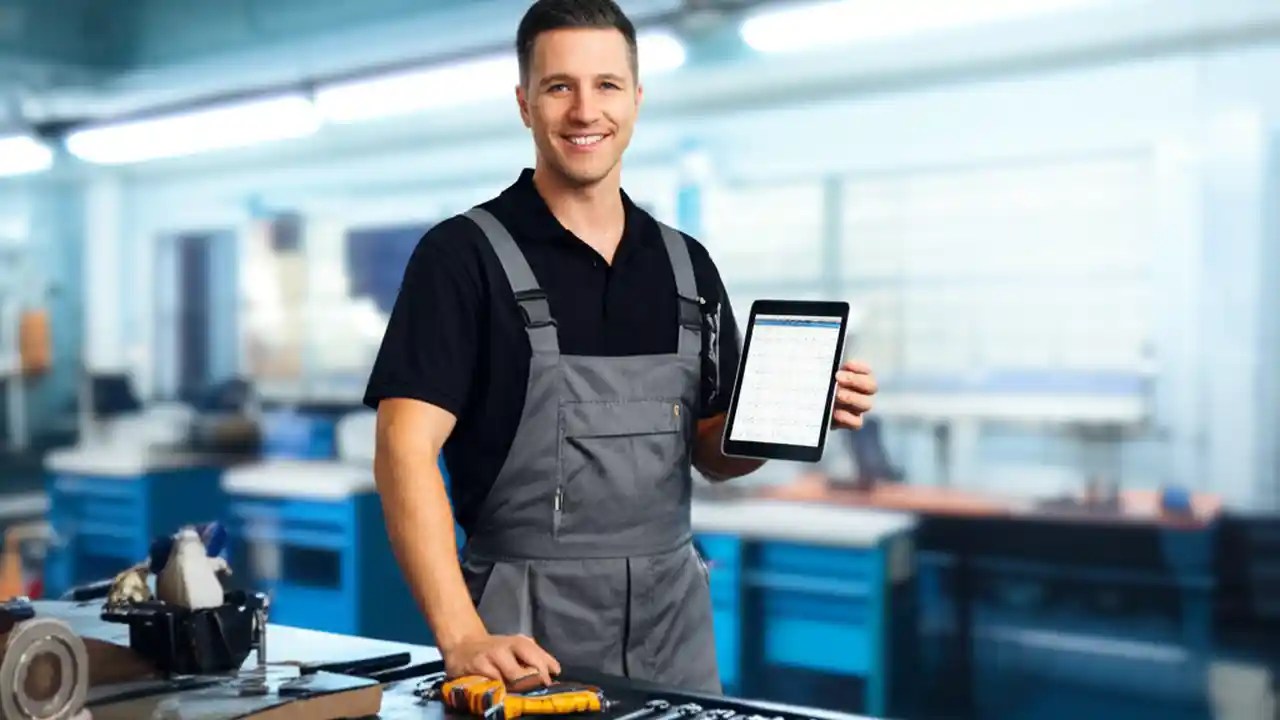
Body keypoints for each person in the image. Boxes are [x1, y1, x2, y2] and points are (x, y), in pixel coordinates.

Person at [364, 0, 878, 695]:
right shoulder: (462, 258)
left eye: (606, 85)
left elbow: (710, 454)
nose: (585, 111)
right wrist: (462, 634)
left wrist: (787, 416)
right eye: (559, 86)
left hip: (675, 628)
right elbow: (403, 446)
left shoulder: (685, 266)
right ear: (524, 103)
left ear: (636, 99)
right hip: (523, 637)